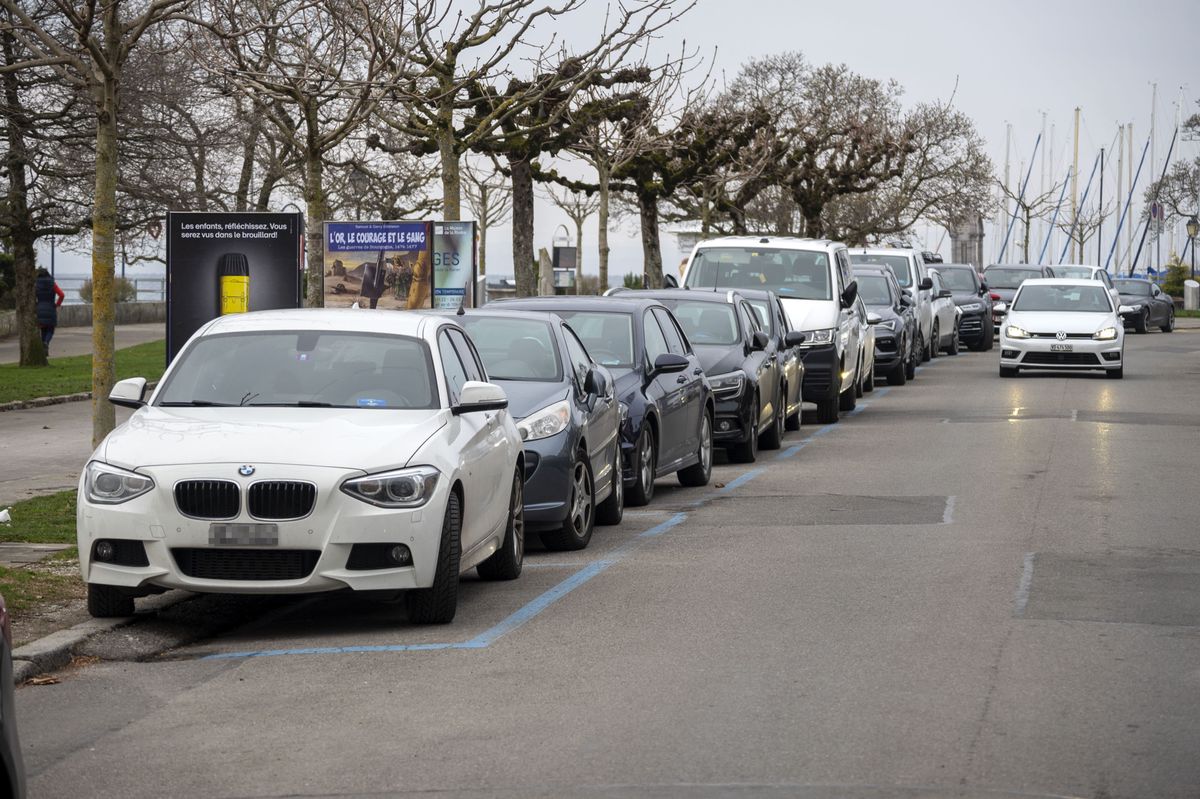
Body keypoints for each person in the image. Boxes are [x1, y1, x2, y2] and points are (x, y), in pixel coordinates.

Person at [34, 267, 65, 356]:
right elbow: (61, 295)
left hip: (39, 308)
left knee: (43, 329)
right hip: (51, 308)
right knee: (50, 329)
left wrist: (36, 304)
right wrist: (57, 304)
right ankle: (46, 343)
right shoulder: (52, 284)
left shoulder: (36, 284)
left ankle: (44, 350)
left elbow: (32, 295)